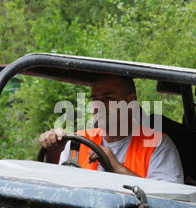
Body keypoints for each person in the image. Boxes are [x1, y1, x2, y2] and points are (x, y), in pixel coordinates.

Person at [38, 74, 184, 183]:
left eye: (108, 99)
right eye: (95, 99)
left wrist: (117, 168)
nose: (98, 106)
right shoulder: (77, 141)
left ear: (130, 101)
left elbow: (169, 201)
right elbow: (55, 188)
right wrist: (53, 153)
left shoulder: (156, 145)